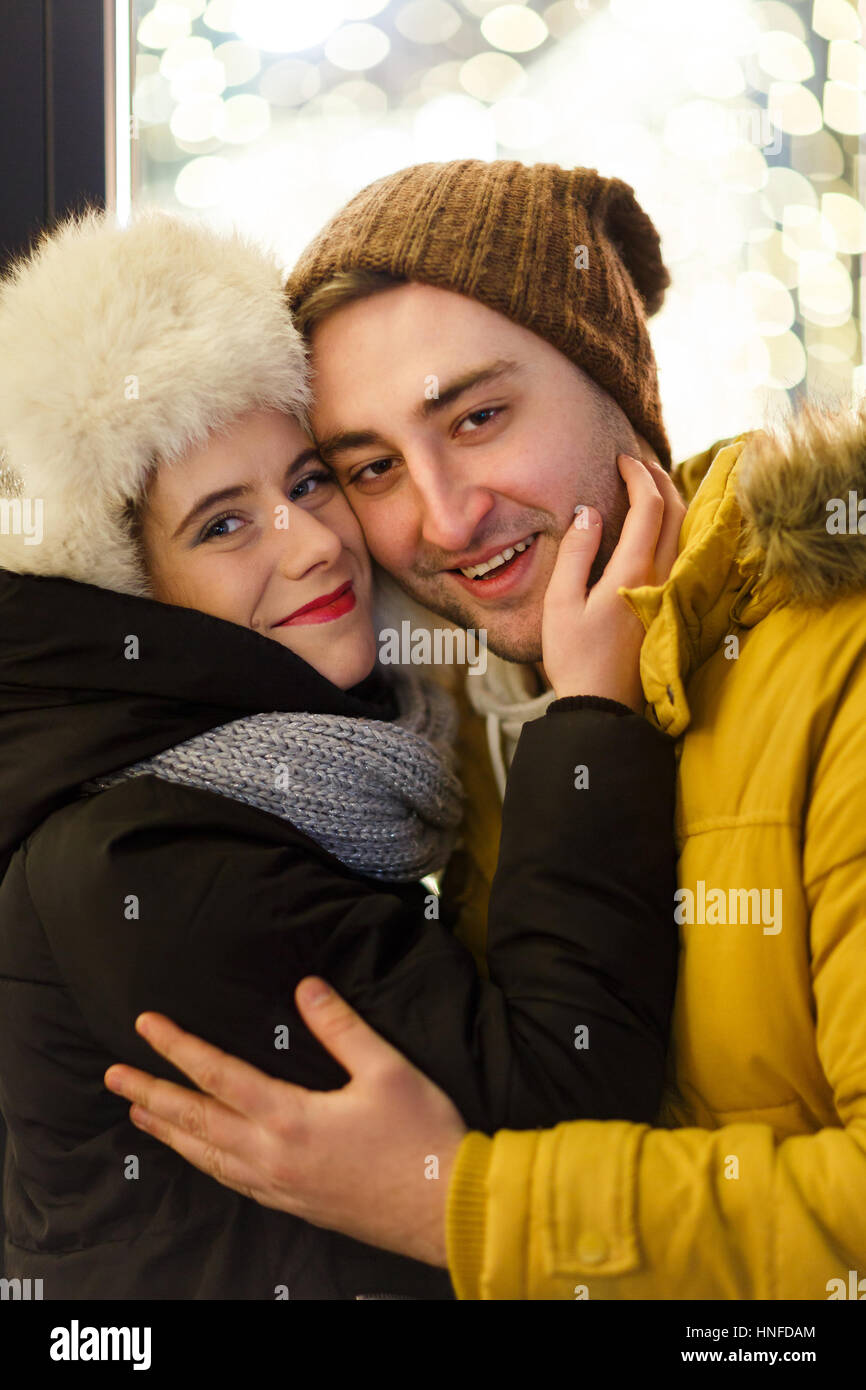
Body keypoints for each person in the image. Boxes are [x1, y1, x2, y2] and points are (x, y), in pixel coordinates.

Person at [107, 159, 866, 1300]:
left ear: (615, 381)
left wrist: (451, 1203)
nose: (446, 516)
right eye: (370, 467)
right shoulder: (457, 737)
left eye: (477, 415)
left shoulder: (835, 663)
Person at [0, 208, 683, 1300]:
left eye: (309, 480)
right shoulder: (144, 854)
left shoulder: (287, 767)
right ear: (127, 588)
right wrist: (593, 713)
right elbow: (561, 1095)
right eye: (222, 526)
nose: (311, 541)